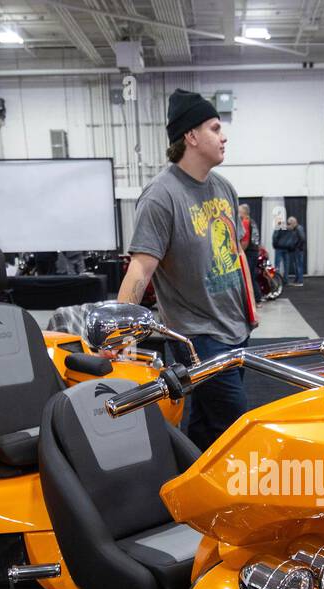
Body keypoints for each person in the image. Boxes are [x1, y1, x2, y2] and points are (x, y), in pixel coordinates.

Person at [119, 89, 251, 450]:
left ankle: (188, 485)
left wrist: (249, 312)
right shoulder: (161, 196)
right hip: (197, 336)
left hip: (235, 327)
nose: (223, 136)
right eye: (214, 127)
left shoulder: (224, 188)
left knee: (206, 423)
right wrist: (120, 332)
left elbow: (237, 255)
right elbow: (140, 270)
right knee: (240, 424)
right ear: (191, 137)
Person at [271, 216, 305, 287]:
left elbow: (275, 237)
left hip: (280, 248)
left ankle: (276, 281)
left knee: (277, 265)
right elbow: (293, 239)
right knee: (286, 266)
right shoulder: (291, 229)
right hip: (287, 249)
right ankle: (286, 280)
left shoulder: (280, 227)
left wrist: (275, 245)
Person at [238, 203, 262, 301]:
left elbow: (245, 241)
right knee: (251, 276)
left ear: (244, 212)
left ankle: (255, 299)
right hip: (254, 252)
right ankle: (256, 299)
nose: (237, 213)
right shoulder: (252, 222)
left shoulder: (245, 222)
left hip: (249, 253)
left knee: (248, 277)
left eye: (239, 211)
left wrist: (240, 254)